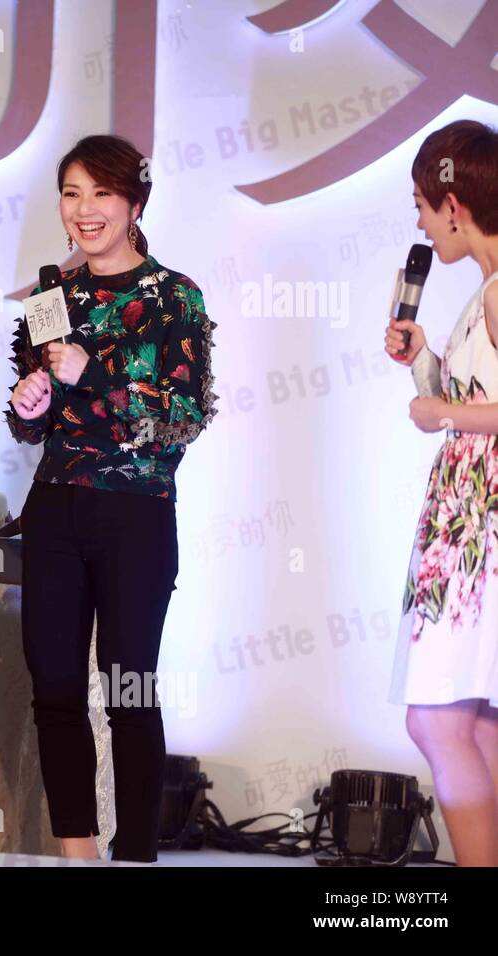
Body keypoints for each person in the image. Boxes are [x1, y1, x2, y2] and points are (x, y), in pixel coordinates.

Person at [6, 134, 217, 862]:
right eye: (71, 193)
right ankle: (77, 851)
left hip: (135, 514)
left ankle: (135, 854)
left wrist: (93, 374)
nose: (84, 210)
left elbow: (180, 422)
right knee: (55, 685)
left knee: (128, 686)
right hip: (56, 507)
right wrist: (30, 402)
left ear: (134, 203)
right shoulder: (48, 298)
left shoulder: (174, 297)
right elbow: (30, 424)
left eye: (101, 194)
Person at [385, 119, 498, 867]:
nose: (422, 222)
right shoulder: (484, 292)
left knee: (436, 717)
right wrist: (428, 365)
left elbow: (470, 414)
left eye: (424, 206)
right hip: (467, 523)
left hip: (479, 535)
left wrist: (442, 411)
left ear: (453, 206)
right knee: (477, 720)